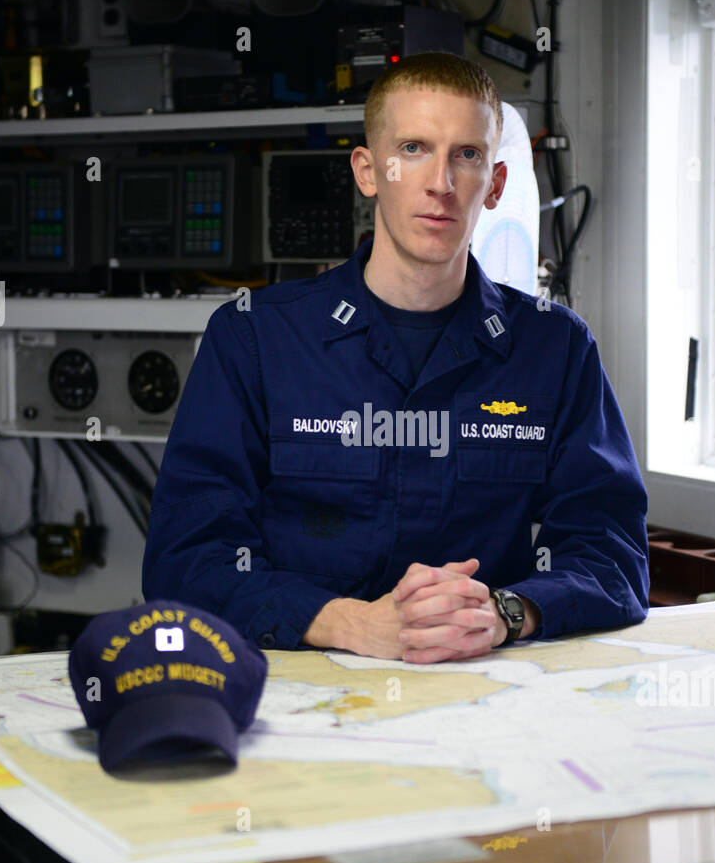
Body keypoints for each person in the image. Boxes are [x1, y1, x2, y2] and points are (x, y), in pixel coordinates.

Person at [142, 51, 649, 662]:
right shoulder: (254, 340)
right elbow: (184, 559)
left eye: (466, 155)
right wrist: (343, 622)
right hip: (300, 702)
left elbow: (612, 550)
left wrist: (507, 612)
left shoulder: (556, 348)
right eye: (413, 148)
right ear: (367, 170)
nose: (440, 182)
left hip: (487, 696)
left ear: (494, 184)